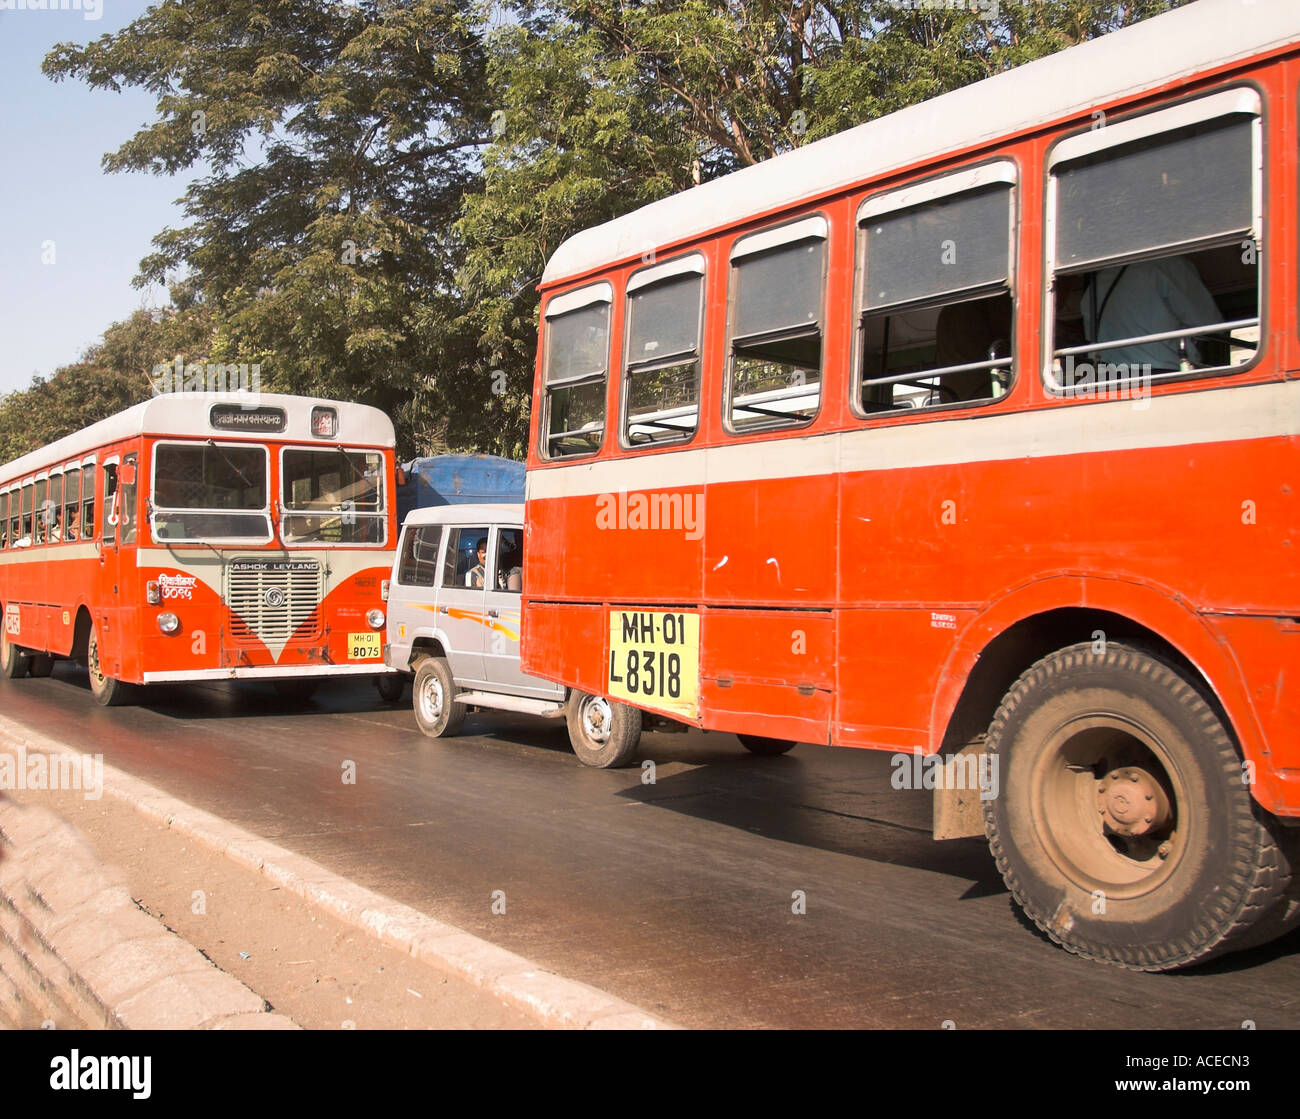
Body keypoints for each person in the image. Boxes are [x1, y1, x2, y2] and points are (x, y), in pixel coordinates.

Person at [1081, 255, 1222, 372]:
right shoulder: (1169, 265)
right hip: (1163, 374)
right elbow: (1211, 324)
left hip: (1109, 381)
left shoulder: (1095, 286)